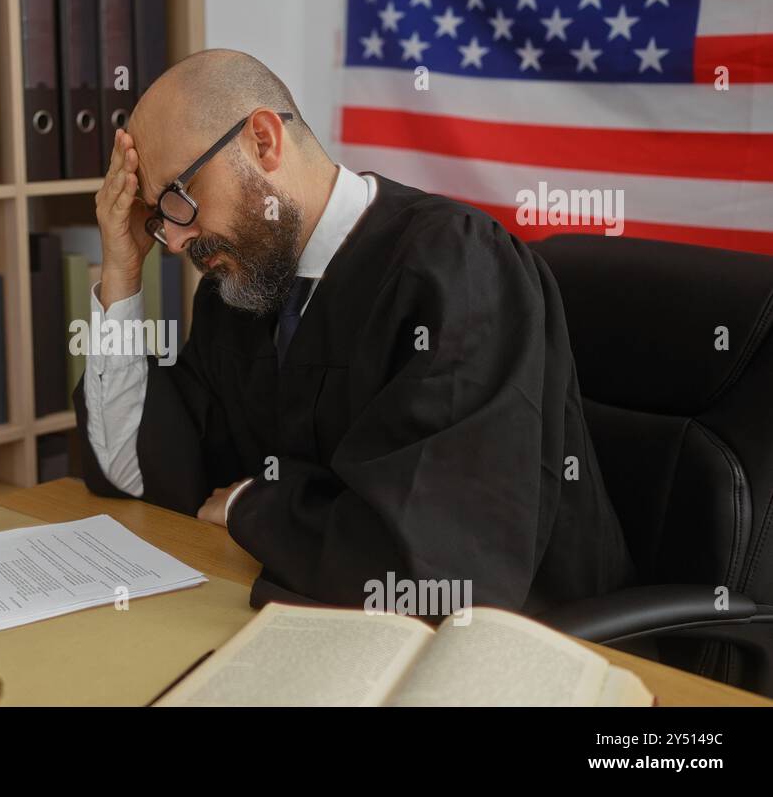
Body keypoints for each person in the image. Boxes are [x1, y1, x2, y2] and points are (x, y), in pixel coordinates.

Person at [73, 49, 635, 612]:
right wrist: (121, 271)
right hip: (319, 619)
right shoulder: (242, 291)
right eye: (158, 217)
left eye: (179, 198)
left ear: (263, 142)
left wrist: (253, 506)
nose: (172, 242)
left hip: (521, 649)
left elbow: (430, 564)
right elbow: (138, 468)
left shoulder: (457, 267)